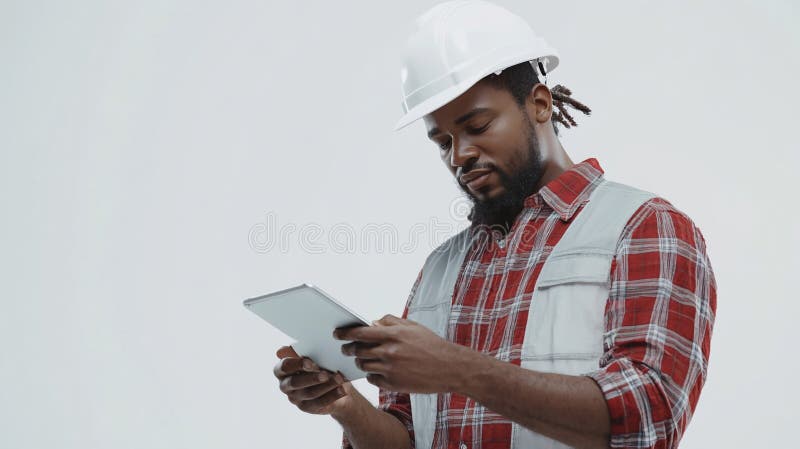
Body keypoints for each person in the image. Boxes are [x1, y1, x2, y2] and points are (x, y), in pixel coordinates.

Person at [272, 1, 716, 448]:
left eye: (477, 125)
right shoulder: (440, 269)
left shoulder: (644, 228)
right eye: (443, 140)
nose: (459, 154)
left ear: (539, 105)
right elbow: (409, 437)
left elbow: (649, 417)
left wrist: (456, 369)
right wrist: (346, 404)